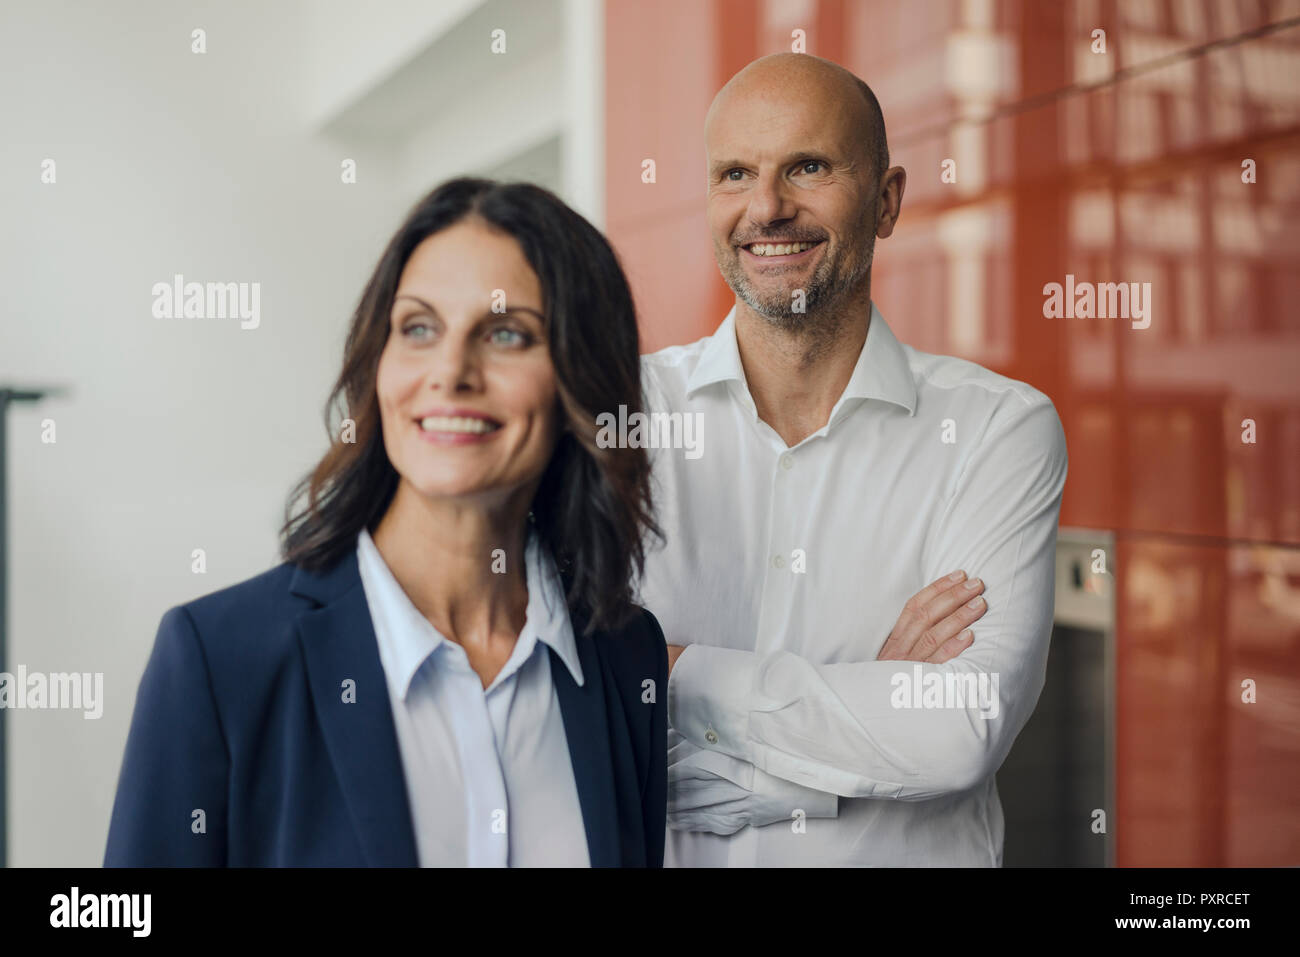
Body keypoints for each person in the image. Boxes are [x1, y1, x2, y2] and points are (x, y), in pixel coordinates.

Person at [105, 178, 667, 867]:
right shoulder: (220, 658)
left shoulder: (625, 655)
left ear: (580, 380)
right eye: (419, 328)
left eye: (506, 333)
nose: (451, 371)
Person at [640, 53, 1069, 865]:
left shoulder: (998, 430)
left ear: (887, 200)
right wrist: (863, 711)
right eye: (736, 173)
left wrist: (674, 672)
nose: (767, 207)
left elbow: (955, 730)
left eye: (807, 166)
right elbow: (578, 742)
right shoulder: (615, 424)